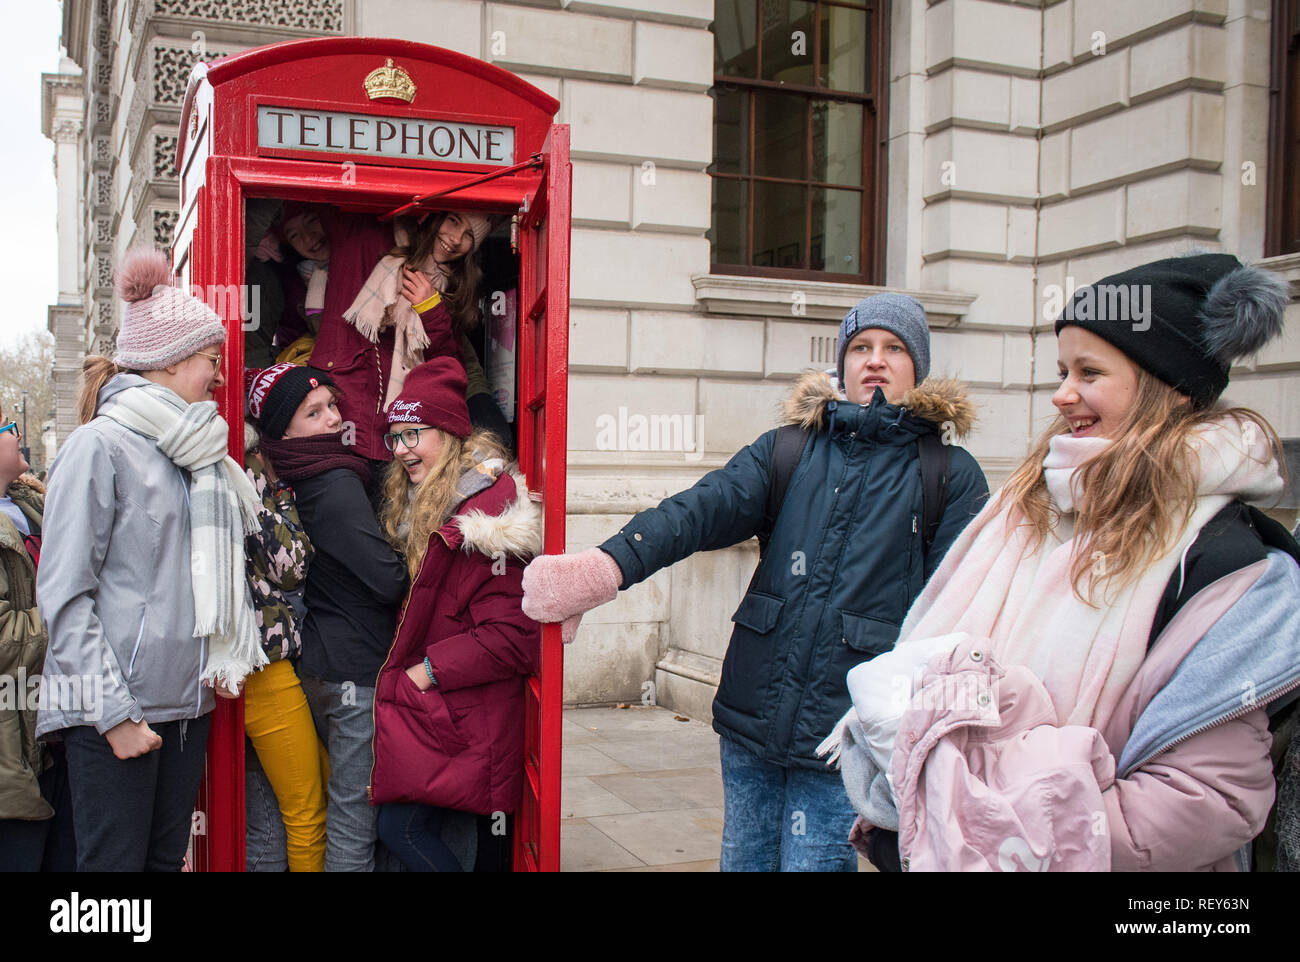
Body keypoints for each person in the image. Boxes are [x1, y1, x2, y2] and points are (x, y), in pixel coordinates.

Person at [825, 253, 1300, 872]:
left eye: (1089, 372)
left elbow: (1209, 799)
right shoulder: (1030, 504)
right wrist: (924, 803)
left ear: (1170, 386)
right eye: (1061, 370)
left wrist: (987, 831)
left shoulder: (1227, 564)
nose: (1062, 393)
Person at [521, 293, 989, 871]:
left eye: (894, 349)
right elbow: (696, 511)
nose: (875, 359)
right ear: (841, 364)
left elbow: (956, 608)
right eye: (861, 347)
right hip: (752, 716)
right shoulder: (789, 448)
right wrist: (606, 567)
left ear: (918, 368)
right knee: (743, 862)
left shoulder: (948, 473)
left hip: (845, 735)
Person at [36, 246, 266, 871]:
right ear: (169, 361)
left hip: (188, 708)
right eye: (211, 361)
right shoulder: (99, 447)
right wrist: (114, 717)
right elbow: (63, 597)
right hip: (116, 711)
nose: (219, 377)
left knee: (162, 866)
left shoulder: (198, 455)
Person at [369, 357, 541, 871]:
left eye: (412, 434)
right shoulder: (435, 505)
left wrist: (427, 671)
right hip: (449, 708)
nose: (400, 451)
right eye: (393, 438)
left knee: (401, 829)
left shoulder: (487, 518)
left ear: (447, 431)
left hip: (468, 708)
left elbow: (515, 636)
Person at [255, 364, 408, 872]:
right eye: (313, 412)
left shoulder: (289, 476)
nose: (332, 419)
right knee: (351, 825)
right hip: (357, 669)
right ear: (283, 430)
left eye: (332, 406)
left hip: (317, 666)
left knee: (313, 812)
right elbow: (387, 580)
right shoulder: (336, 479)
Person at [241, 364, 334, 872]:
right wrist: (280, 491)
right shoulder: (255, 465)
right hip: (263, 665)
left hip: (262, 661)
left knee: (286, 807)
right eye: (312, 411)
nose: (332, 421)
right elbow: (291, 565)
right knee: (306, 813)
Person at [0, 408, 75, 871]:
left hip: (56, 727)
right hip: (13, 741)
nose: (18, 432)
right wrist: (73, 613)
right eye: (7, 428)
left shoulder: (30, 504)